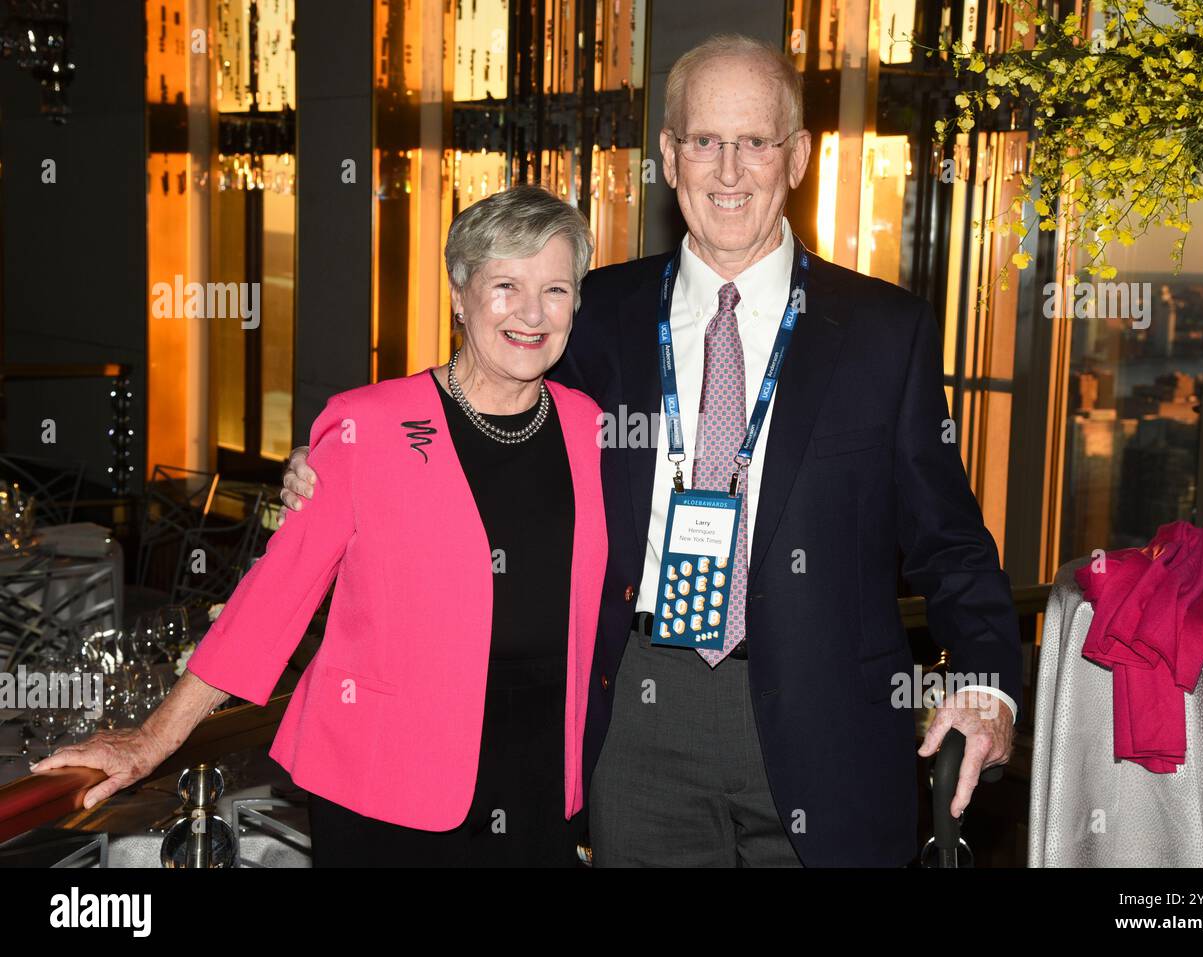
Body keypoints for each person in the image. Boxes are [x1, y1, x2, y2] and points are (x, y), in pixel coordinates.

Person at [283, 34, 1022, 867]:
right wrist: (342, 452)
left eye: (755, 142)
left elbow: (950, 540)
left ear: (800, 157)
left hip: (830, 720)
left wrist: (988, 683)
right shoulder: (594, 313)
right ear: (670, 158)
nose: (730, 170)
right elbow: (480, 400)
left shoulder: (888, 333)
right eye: (705, 141)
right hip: (639, 719)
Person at [33, 184, 608, 867]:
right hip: (388, 787)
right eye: (506, 285)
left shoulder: (586, 425)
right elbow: (274, 598)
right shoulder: (373, 424)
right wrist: (154, 736)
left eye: (557, 289)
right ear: (460, 294)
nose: (532, 313)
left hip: (540, 773)